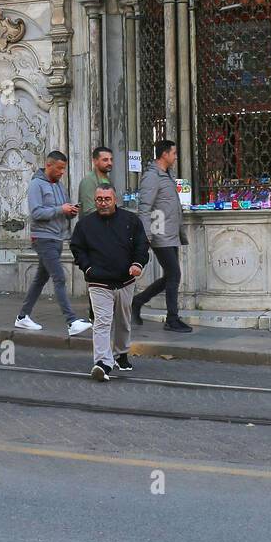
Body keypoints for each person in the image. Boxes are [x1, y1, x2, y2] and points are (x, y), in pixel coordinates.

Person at [70, 183, 148, 381]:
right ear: (94, 201)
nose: (103, 203)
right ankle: (103, 363)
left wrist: (138, 264)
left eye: (107, 199)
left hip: (125, 281)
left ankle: (121, 353)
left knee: (123, 321)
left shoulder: (130, 220)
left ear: (115, 200)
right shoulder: (85, 225)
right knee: (102, 323)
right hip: (99, 283)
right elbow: (77, 248)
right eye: (99, 199)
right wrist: (87, 268)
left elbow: (141, 244)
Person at [16, 151, 92, 336]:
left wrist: (70, 211)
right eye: (59, 168)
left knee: (40, 279)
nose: (62, 172)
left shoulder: (60, 186)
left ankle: (22, 317)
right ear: (48, 165)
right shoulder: (36, 184)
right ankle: (71, 321)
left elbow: (61, 210)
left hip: (57, 238)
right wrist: (60, 209)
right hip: (43, 238)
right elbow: (36, 213)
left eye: (64, 169)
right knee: (59, 277)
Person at [134, 138, 193, 333]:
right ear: (164, 154)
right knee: (174, 274)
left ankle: (138, 302)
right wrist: (146, 235)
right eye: (174, 153)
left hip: (170, 233)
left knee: (170, 275)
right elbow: (144, 207)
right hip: (160, 234)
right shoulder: (152, 176)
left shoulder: (166, 175)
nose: (176, 157)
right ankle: (172, 319)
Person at [77, 145, 114, 217]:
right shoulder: (89, 181)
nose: (110, 163)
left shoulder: (108, 180)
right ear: (95, 161)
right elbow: (89, 210)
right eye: (105, 160)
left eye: (111, 159)